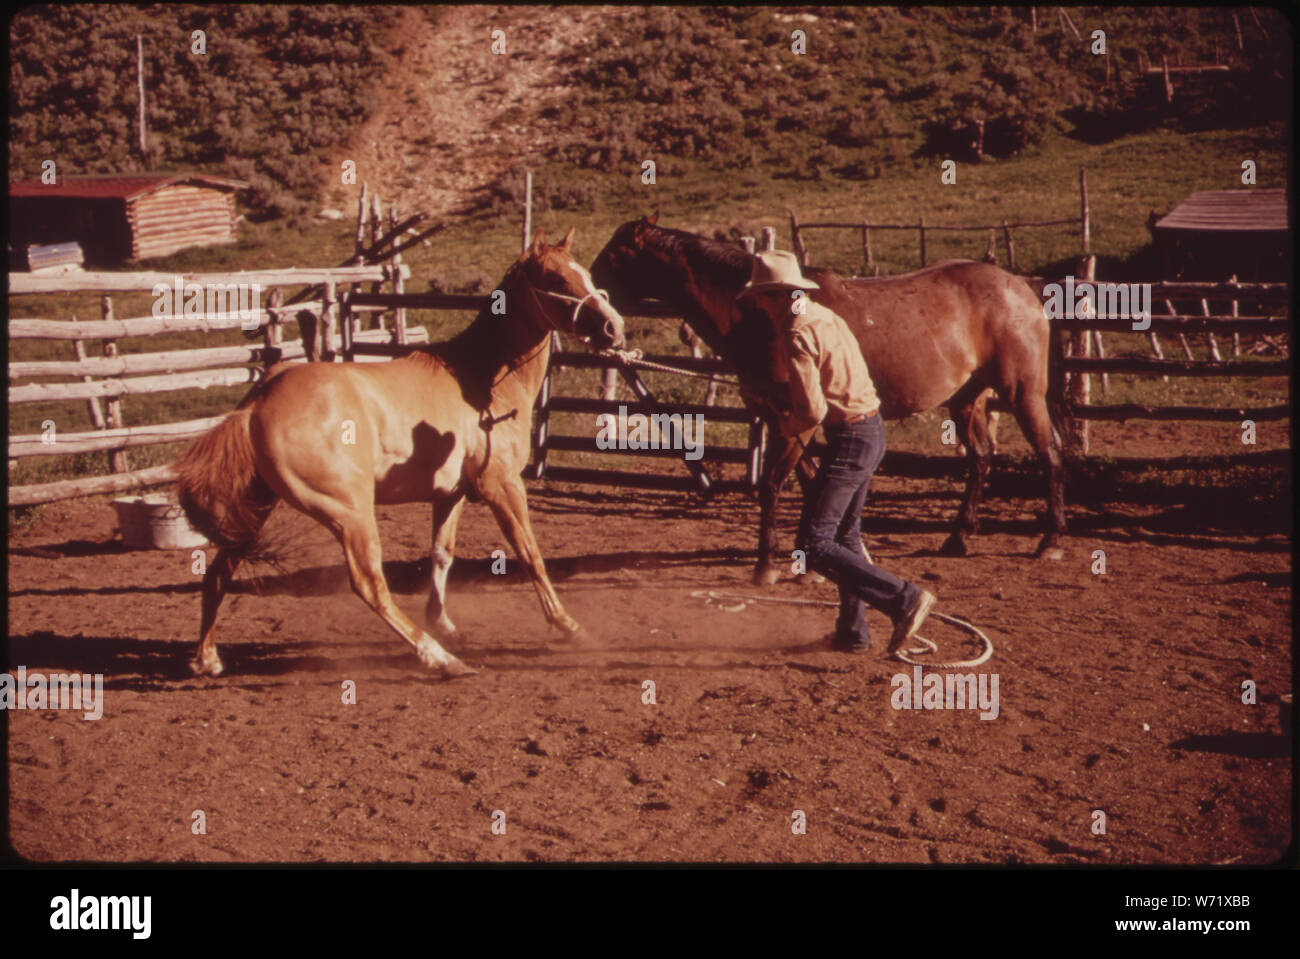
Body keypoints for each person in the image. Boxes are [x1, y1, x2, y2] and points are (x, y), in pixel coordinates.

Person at [737, 250, 935, 656]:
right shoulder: (825, 317)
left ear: (777, 296)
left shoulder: (796, 334)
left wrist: (785, 423)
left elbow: (813, 412)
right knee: (844, 536)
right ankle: (853, 632)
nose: (757, 304)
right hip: (869, 430)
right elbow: (833, 382)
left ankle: (904, 599)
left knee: (813, 544)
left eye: (761, 296)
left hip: (848, 439)